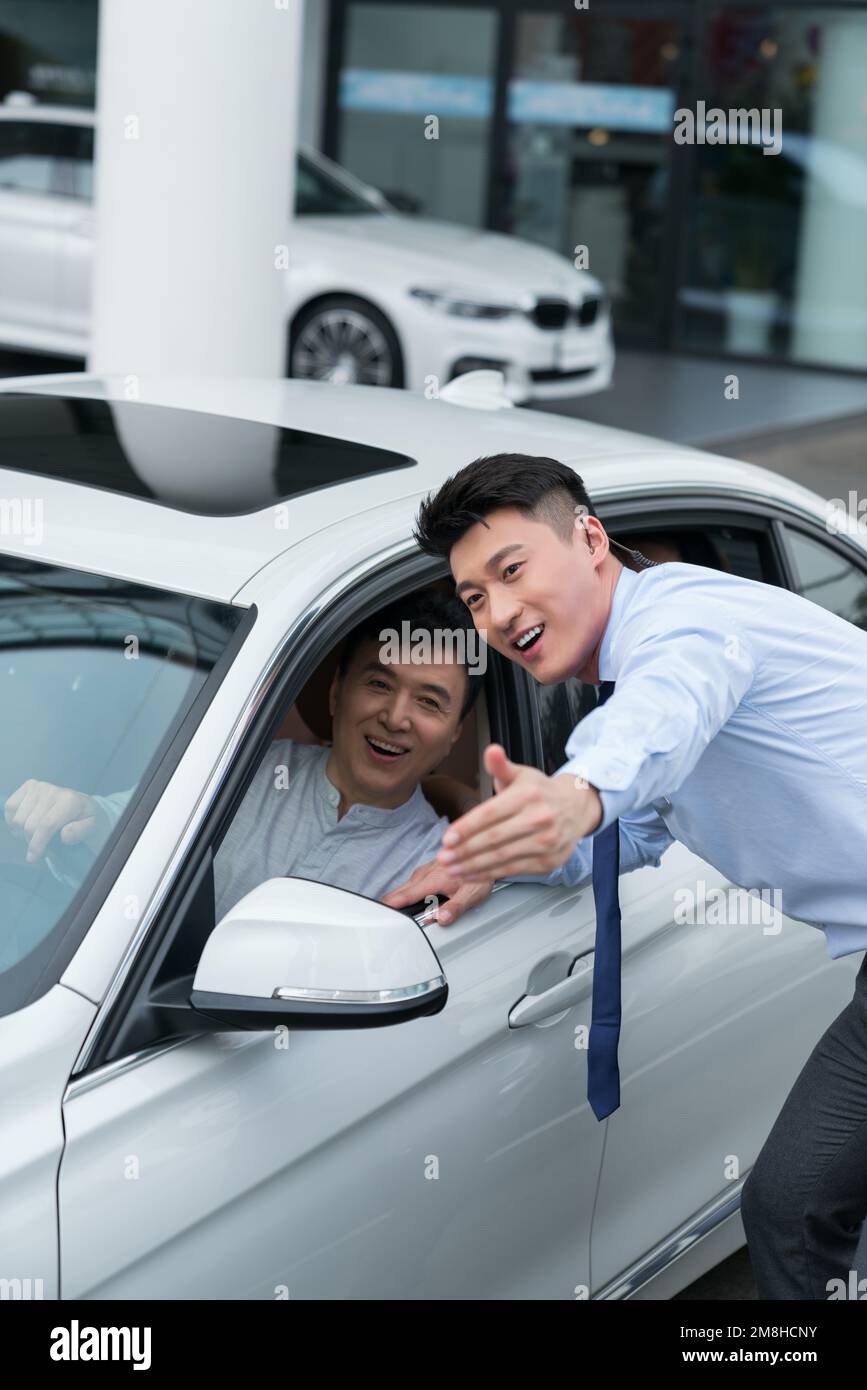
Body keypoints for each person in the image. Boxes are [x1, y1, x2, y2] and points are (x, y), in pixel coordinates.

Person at [384, 450, 867, 1301]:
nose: (498, 612)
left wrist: (574, 793)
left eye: (511, 570)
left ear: (591, 540)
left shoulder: (685, 623)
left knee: (791, 1209)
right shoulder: (633, 678)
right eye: (474, 598)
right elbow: (635, 828)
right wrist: (506, 864)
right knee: (790, 1208)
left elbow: (659, 723)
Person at [3, 589, 482, 923]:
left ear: (453, 735)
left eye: (428, 702)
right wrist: (82, 811)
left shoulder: (441, 866)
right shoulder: (247, 766)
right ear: (337, 694)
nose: (396, 717)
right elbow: (138, 824)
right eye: (379, 684)